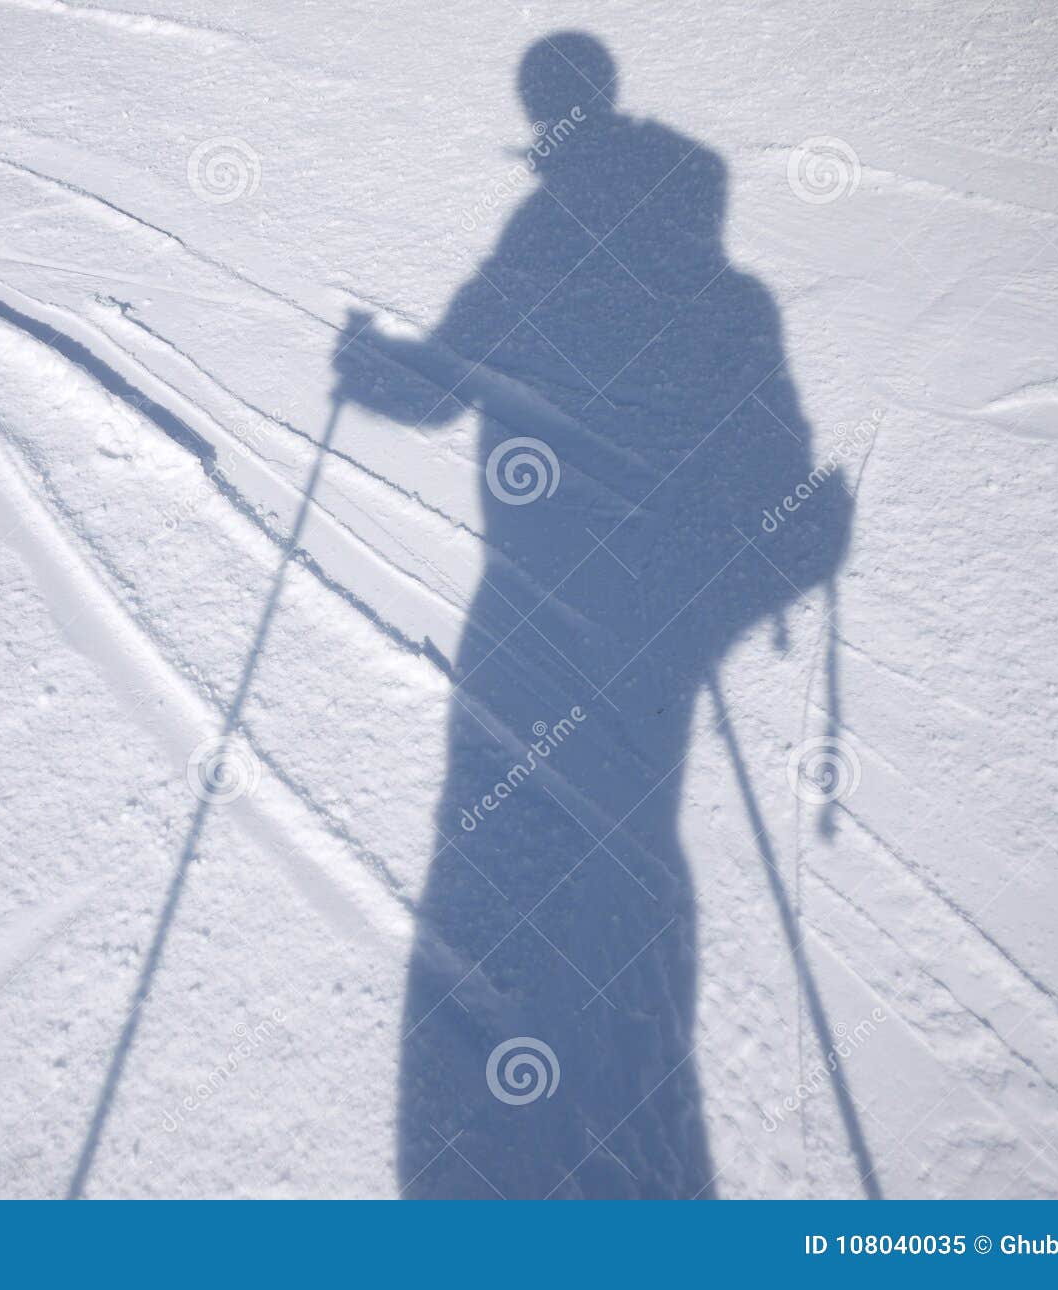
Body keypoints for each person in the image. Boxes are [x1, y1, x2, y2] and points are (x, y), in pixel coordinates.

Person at [332, 31, 852, 1198]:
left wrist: (364, 365)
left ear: (548, 128)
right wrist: (803, 541)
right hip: (656, 632)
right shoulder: (733, 300)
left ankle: (529, 1111)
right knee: (626, 845)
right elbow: (774, 485)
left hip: (527, 618)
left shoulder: (539, 247)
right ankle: (608, 1101)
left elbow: (433, 386)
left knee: (513, 845)